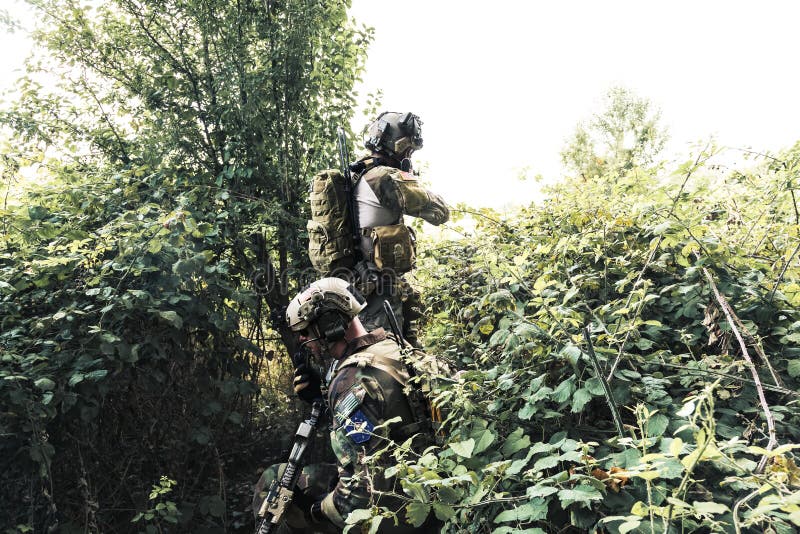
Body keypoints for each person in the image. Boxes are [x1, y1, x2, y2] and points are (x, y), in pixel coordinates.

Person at [253, 278, 442, 533]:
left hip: (398, 513)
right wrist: (323, 397)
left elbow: (356, 500)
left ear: (329, 325)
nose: (302, 340)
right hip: (432, 489)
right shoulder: (395, 348)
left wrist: (313, 511)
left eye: (306, 331)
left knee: (275, 487)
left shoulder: (350, 381)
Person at [350, 111, 449, 346]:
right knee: (387, 357)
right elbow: (441, 213)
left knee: (398, 354)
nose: (410, 156)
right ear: (399, 146)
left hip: (362, 280)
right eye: (409, 150)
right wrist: (410, 178)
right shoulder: (383, 177)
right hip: (378, 288)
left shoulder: (359, 174)